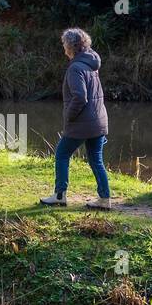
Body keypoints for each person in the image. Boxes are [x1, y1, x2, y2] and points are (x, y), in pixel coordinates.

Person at [40, 28, 111, 210]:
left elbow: (80, 97)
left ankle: (59, 195)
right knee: (96, 160)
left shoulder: (75, 68)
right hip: (99, 121)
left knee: (62, 154)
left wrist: (68, 116)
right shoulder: (91, 63)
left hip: (82, 123)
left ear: (71, 46)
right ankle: (104, 199)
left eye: (64, 44)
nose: (63, 48)